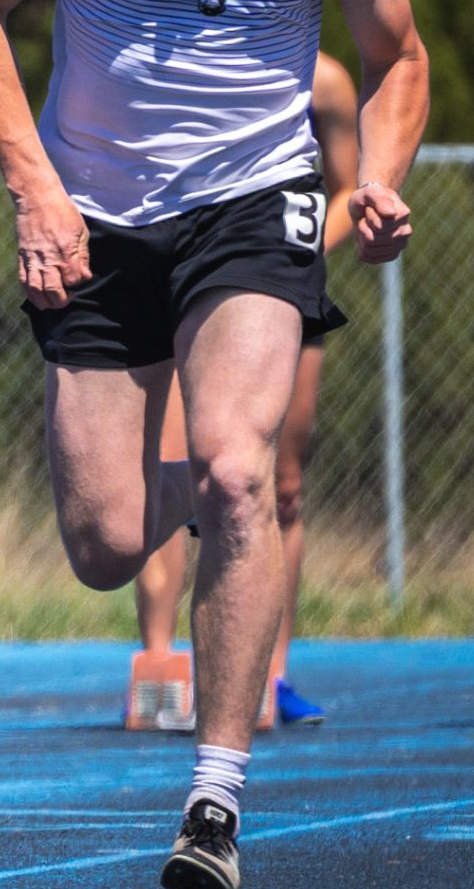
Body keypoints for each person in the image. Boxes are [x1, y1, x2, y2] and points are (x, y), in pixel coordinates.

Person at [0, 0, 427, 889]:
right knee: (104, 541)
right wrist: (34, 189)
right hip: (95, 214)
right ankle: (204, 501)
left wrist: (378, 175)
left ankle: (215, 798)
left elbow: (398, 57)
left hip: (253, 204)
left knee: (237, 467)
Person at [133, 51, 358, 725]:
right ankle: (160, 666)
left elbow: (346, 190)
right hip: (179, 284)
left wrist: (285, 258)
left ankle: (271, 673)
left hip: (274, 283)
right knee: (175, 470)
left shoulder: (326, 81)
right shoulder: (177, 56)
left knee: (279, 484)